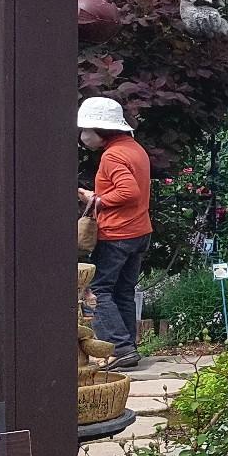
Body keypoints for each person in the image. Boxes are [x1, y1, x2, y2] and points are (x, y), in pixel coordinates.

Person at [78, 96, 152, 370]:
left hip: (117, 233)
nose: (83, 136)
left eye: (86, 129)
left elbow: (127, 191)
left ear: (101, 130)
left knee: (97, 290)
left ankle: (118, 347)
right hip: (139, 231)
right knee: (123, 291)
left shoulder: (112, 155)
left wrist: (95, 199)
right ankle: (128, 348)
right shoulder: (135, 149)